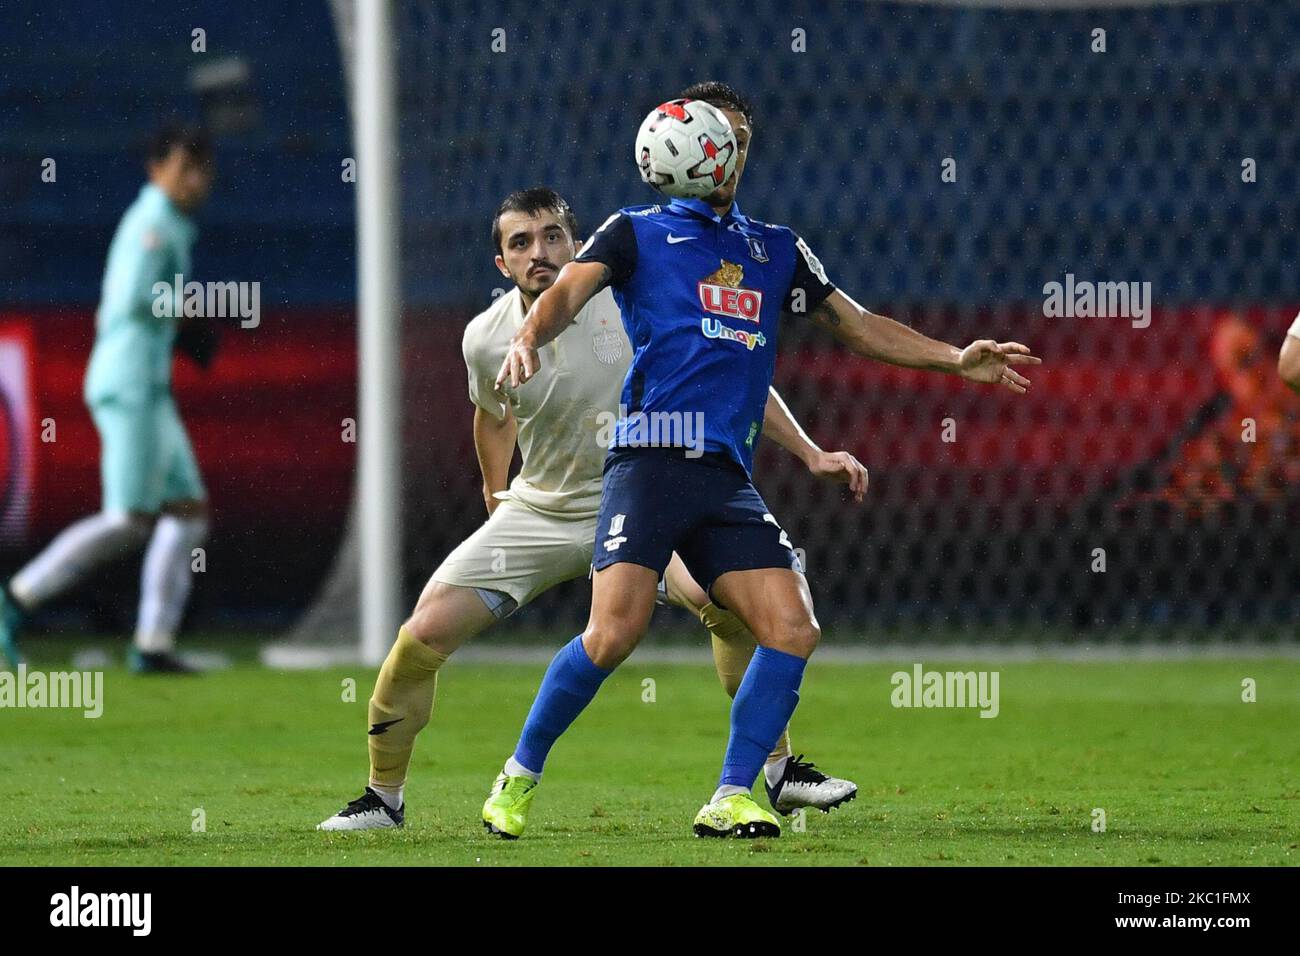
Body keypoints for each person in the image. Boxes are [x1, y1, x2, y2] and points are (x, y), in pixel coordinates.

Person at [486, 81, 1040, 839]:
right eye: (723, 133)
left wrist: (954, 358)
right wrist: (526, 338)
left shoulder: (774, 247)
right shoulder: (635, 232)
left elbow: (859, 323)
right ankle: (516, 778)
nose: (735, 144)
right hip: (649, 457)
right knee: (613, 635)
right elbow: (567, 296)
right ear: (695, 153)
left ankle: (734, 794)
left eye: (741, 133)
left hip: (722, 473)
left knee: (792, 625)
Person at [318, 187, 864, 831]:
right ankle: (383, 798)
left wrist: (806, 450)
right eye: (520, 242)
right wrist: (496, 494)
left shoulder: (630, 301)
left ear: (576, 245)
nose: (539, 252)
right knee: (422, 636)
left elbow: (732, 372)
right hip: (542, 512)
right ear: (502, 263)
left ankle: (776, 770)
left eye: (553, 236)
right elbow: (492, 418)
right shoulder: (485, 339)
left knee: (738, 610)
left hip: (643, 495)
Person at [0, 123, 216, 673]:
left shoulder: (171, 224)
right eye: (184, 167)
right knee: (128, 519)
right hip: (129, 385)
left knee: (187, 512)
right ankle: (15, 598)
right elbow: (133, 297)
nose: (195, 180)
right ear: (156, 169)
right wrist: (192, 310)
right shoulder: (153, 224)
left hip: (150, 387)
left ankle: (153, 643)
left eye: (201, 169)